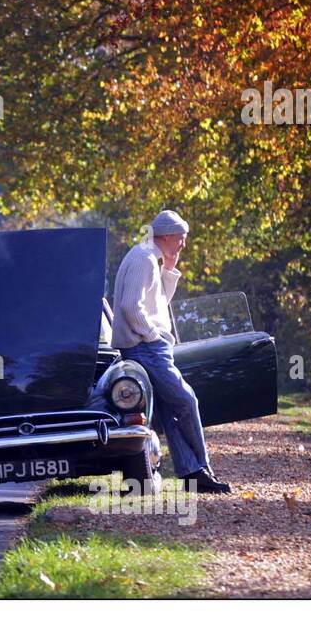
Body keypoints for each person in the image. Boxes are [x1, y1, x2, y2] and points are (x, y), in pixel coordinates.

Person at [111, 210, 231, 494]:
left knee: (168, 410)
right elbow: (130, 307)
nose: (183, 244)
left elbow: (158, 303)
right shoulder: (143, 259)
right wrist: (152, 335)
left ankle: (193, 474)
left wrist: (170, 267)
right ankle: (202, 467)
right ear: (167, 235)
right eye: (182, 238)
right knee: (186, 400)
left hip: (148, 347)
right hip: (146, 348)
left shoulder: (149, 257)